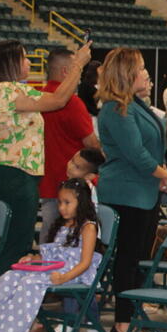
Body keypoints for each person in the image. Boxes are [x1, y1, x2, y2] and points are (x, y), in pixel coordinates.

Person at [0, 40, 90, 280]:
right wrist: (78, 66)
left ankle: (1, 302)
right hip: (16, 175)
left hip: (18, 175)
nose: (29, 62)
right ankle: (4, 304)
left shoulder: (12, 90)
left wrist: (77, 68)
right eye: (23, 57)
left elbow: (58, 98)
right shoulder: (6, 90)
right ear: (11, 62)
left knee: (16, 242)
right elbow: (57, 100)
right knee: (16, 245)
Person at [0, 178, 101, 332]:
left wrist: (65, 277)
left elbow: (85, 262)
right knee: (9, 276)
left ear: (82, 202)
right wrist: (33, 258)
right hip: (53, 270)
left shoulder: (88, 227)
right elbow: (50, 255)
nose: (61, 207)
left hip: (74, 274)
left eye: (67, 203)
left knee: (30, 283)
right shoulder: (61, 224)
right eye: (60, 202)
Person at [96, 48, 167, 332]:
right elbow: (137, 154)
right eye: (141, 69)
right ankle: (122, 324)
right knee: (128, 260)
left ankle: (132, 319)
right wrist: (164, 174)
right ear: (128, 74)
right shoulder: (117, 109)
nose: (146, 74)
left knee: (138, 259)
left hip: (144, 192)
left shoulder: (135, 105)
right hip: (128, 193)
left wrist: (161, 173)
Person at [38, 48, 100, 244]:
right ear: (67, 72)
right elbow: (91, 144)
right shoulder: (72, 104)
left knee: (48, 240)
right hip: (71, 187)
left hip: (45, 183)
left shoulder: (36, 98)